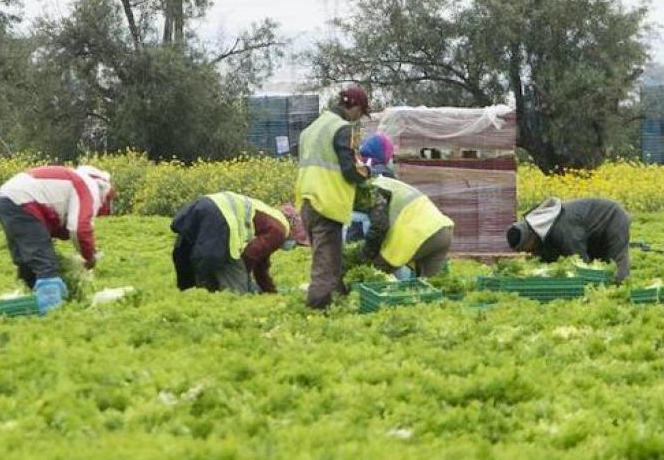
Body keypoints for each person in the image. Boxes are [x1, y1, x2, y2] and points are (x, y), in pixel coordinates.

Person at [0, 164, 114, 313]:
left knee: (27, 262)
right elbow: (80, 228)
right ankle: (52, 312)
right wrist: (90, 257)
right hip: (24, 201)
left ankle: (33, 304)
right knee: (46, 265)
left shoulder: (73, 180)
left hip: (5, 199)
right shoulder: (89, 187)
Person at [296, 85, 373, 309]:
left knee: (329, 258)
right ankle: (317, 312)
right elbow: (350, 170)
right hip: (327, 202)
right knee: (326, 263)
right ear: (355, 107)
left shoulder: (312, 128)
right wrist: (367, 171)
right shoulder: (342, 129)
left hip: (307, 200)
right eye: (361, 112)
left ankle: (338, 300)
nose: (359, 117)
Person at [170, 193, 307, 294]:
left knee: (204, 258)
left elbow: (261, 264)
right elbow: (250, 254)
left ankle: (201, 292)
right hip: (220, 217)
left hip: (204, 204)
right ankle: (208, 292)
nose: (294, 246)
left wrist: (269, 291)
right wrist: (244, 278)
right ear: (294, 231)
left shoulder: (271, 215)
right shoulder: (280, 230)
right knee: (237, 292)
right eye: (297, 242)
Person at [507, 197, 632, 282]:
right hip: (592, 233)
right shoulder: (541, 231)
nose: (526, 252)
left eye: (524, 248)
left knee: (617, 261)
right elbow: (549, 258)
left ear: (530, 237)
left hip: (612, 218)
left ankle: (623, 287)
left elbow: (579, 258)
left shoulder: (563, 230)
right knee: (602, 267)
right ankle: (603, 288)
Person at [355, 176, 455, 281]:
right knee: (430, 286)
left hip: (419, 235)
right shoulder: (389, 184)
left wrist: (366, 254)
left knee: (376, 273)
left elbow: (379, 226)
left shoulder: (372, 191)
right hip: (443, 231)